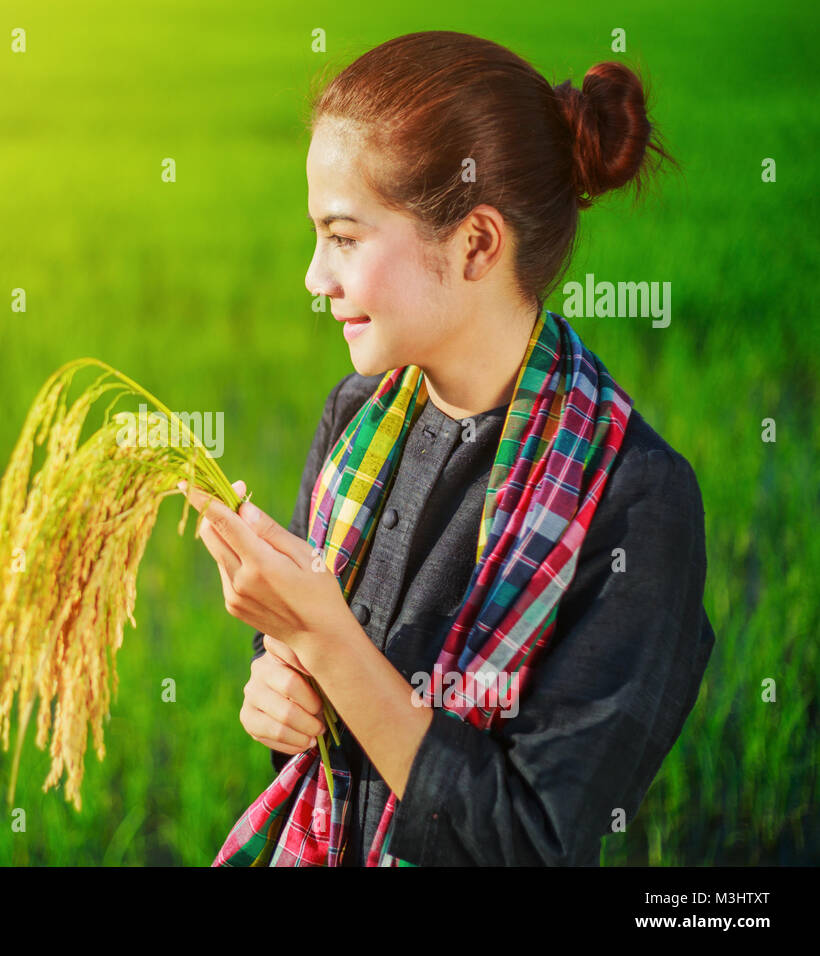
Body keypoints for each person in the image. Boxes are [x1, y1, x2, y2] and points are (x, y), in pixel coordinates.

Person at [181, 30, 714, 865]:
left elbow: (530, 841)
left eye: (345, 236)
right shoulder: (355, 420)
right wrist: (278, 688)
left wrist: (325, 641)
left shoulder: (638, 503)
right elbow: (315, 706)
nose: (314, 278)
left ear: (474, 245)